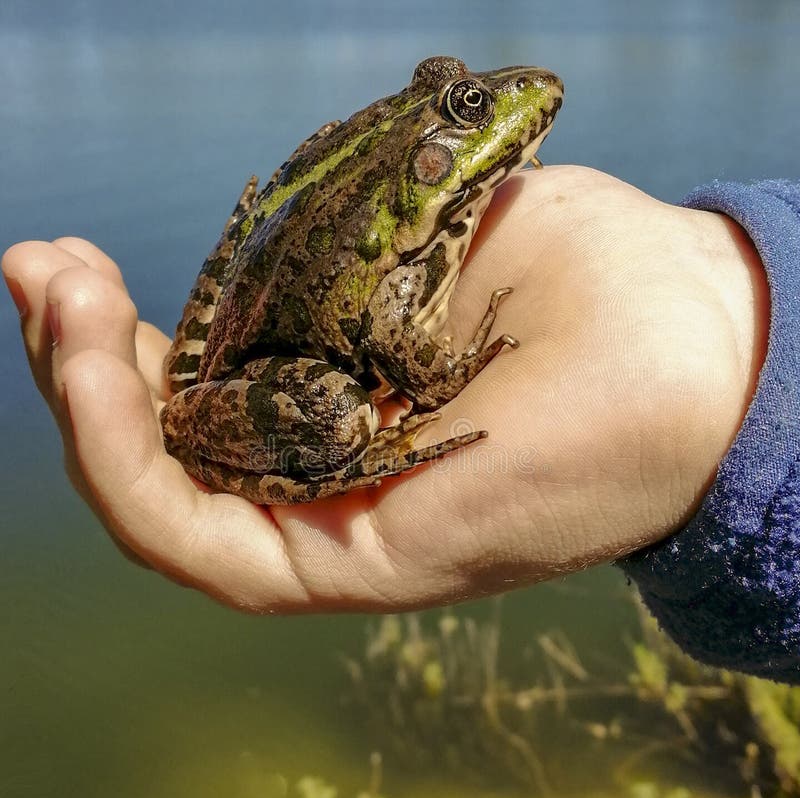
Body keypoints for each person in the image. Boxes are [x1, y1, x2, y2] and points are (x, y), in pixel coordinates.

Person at [4, 165, 798, 681]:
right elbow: (387, 332)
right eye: (467, 105)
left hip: (224, 354)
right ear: (424, 161)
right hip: (280, 372)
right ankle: (333, 458)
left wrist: (721, 344)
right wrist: (450, 377)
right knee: (346, 420)